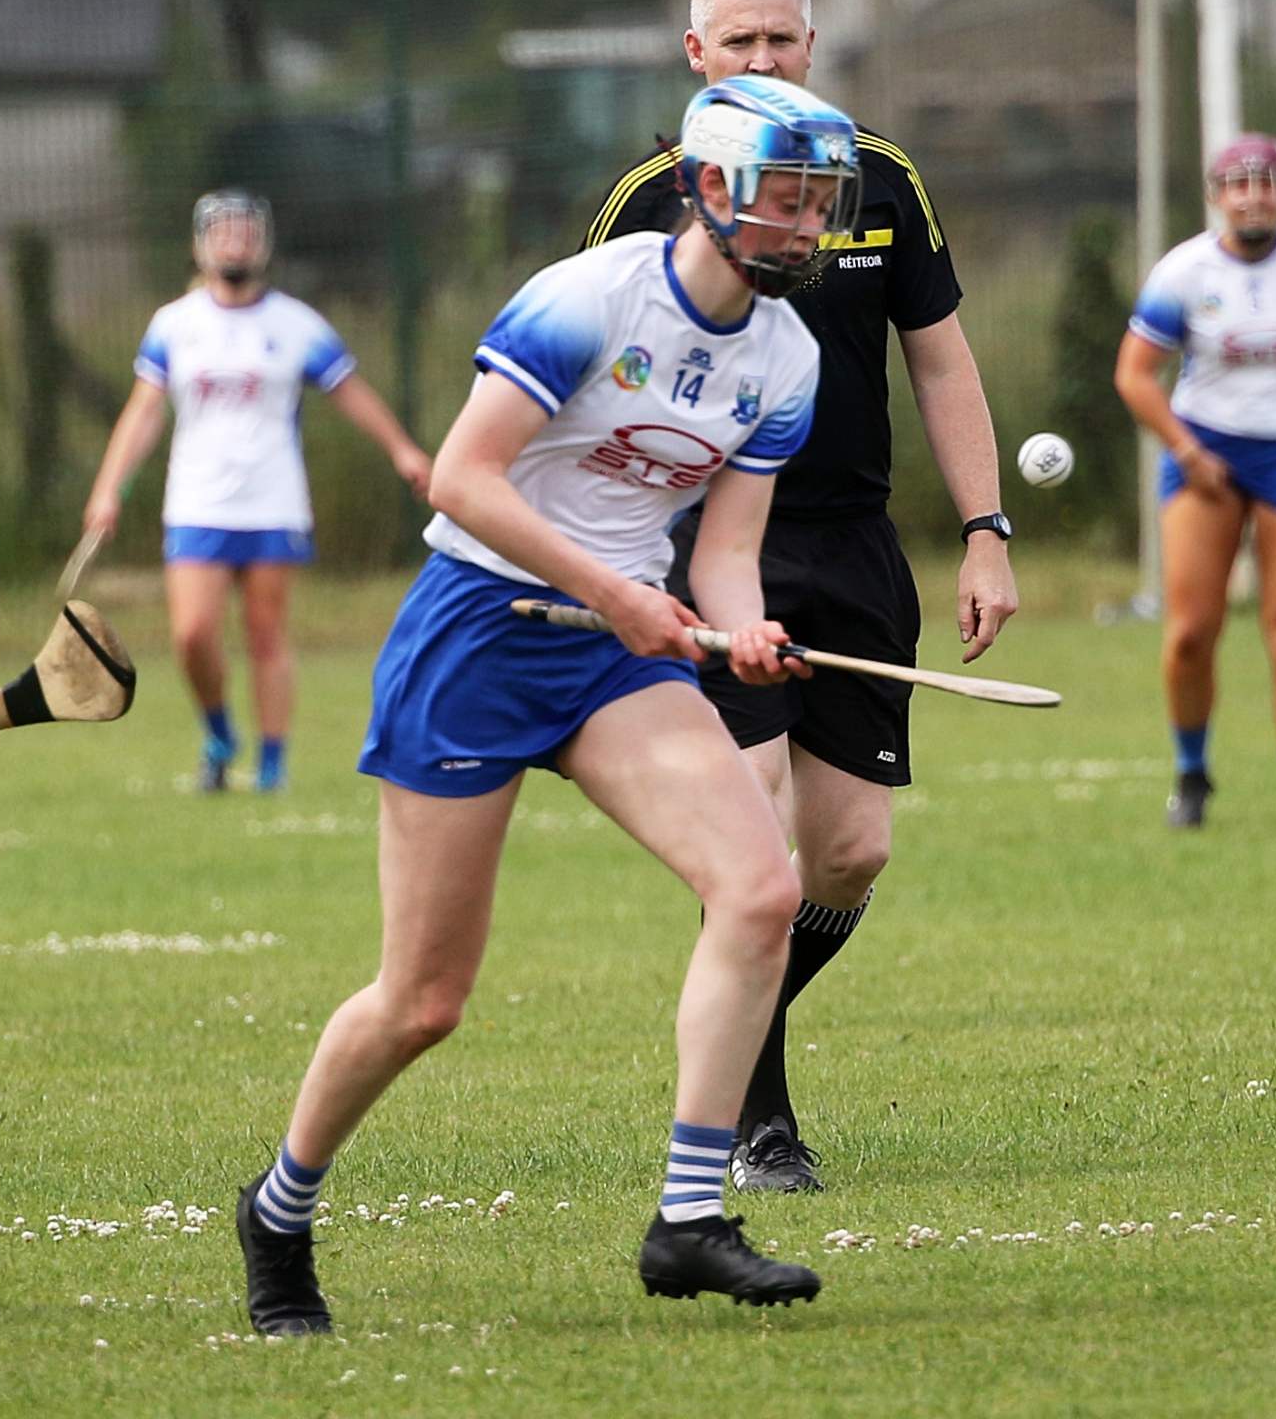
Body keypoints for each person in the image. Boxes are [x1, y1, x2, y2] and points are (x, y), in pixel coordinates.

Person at [235, 77, 859, 1336]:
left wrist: (735, 626)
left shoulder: (786, 359)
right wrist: (620, 595)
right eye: (787, 200)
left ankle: (688, 1221)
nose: (806, 228)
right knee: (423, 1002)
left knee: (761, 891)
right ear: (712, 188)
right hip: (478, 627)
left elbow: (726, 547)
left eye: (820, 205)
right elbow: (464, 477)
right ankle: (280, 1208)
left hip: (617, 650)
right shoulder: (595, 299)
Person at [583, 0, 1018, 1193]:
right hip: (709, 552)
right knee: (760, 834)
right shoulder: (649, 199)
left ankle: (736, 1001)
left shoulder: (881, 179)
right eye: (739, 43)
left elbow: (941, 365)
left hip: (855, 545)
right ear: (695, 58)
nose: (763, 61)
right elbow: (573, 382)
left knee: (850, 852)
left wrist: (986, 529)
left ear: (811, 49)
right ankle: (754, 1124)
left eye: (781, 40)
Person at [80, 189, 431, 793]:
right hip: (197, 500)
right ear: (201, 244)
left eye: (246, 231)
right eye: (223, 231)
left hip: (272, 498)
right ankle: (220, 734)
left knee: (267, 633)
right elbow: (143, 413)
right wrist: (108, 487)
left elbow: (350, 391)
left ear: (263, 243)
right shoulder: (176, 323)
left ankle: (272, 764)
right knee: (192, 634)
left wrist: (403, 451)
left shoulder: (294, 323)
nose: (235, 241)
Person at [1115, 134, 1276, 827]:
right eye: (1239, 183)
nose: (1253, 195)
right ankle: (1193, 776)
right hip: (1209, 453)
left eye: (1267, 183)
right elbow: (1135, 375)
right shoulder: (1186, 272)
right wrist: (1187, 450)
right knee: (1193, 631)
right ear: (1216, 195)